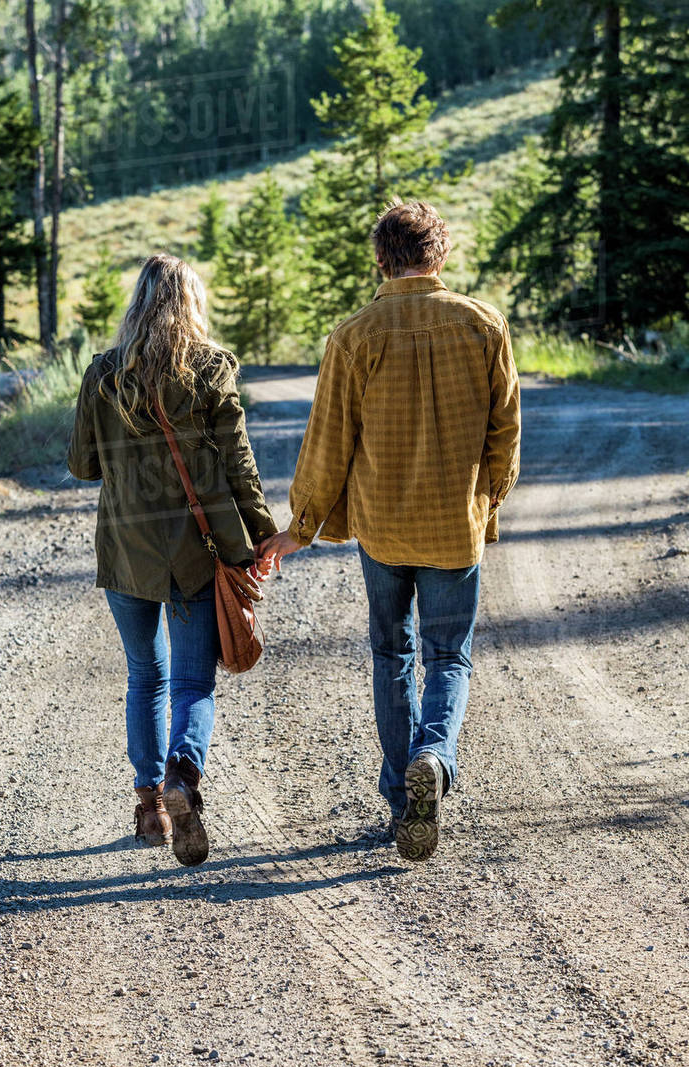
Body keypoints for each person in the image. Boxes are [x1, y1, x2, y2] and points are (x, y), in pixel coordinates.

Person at [259, 198, 521, 863]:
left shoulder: (355, 335)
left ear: (382, 258)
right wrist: (485, 504)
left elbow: (328, 443)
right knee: (449, 657)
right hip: (453, 529)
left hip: (382, 530)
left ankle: (403, 797)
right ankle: (435, 757)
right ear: (441, 253)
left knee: (391, 654)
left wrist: (302, 525)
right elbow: (505, 436)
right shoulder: (484, 324)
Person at [68, 253, 277, 866]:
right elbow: (239, 462)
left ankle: (150, 805)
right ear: (192, 304)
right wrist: (263, 534)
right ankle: (184, 776)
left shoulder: (102, 375)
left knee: (145, 676)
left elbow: (83, 466)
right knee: (191, 683)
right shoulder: (210, 370)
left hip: (127, 551)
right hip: (196, 551)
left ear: (137, 304)